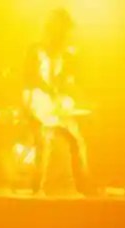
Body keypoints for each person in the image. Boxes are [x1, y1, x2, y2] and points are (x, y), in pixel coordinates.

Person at [23, 9, 91, 196]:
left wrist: (67, 94)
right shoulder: (36, 51)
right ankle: (38, 190)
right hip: (37, 103)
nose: (66, 36)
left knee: (76, 142)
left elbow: (64, 82)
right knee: (45, 143)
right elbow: (30, 79)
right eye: (64, 31)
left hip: (52, 106)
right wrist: (48, 92)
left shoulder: (63, 55)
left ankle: (83, 188)